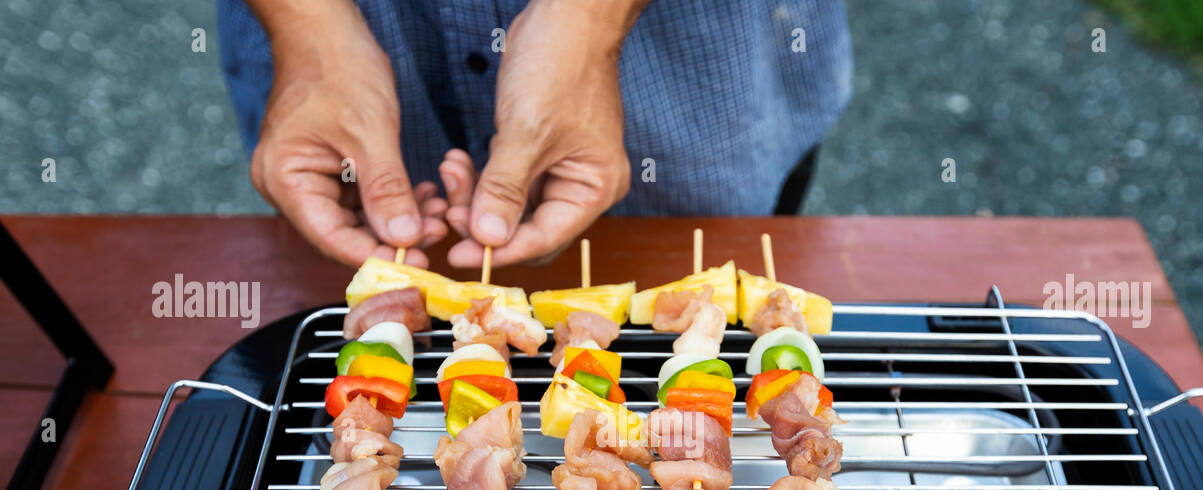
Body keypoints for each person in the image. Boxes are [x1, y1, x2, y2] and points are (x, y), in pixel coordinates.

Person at [218, 0, 852, 269]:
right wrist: (303, 26)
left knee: (723, 272)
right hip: (349, 63)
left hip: (694, 86)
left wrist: (592, 23)